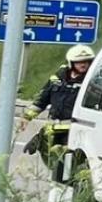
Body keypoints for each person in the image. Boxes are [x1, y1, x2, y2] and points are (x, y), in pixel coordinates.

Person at [23, 45, 94, 181]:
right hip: (53, 130)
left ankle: (67, 187)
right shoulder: (57, 78)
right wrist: (27, 117)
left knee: (67, 167)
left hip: (73, 131)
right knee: (53, 164)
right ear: (71, 63)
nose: (83, 64)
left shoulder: (91, 81)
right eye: (79, 62)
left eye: (86, 61)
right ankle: (60, 186)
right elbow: (42, 99)